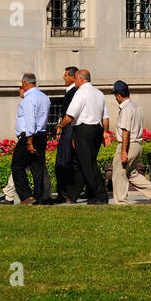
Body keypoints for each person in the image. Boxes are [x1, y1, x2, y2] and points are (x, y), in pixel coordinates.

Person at [53, 69, 109, 203]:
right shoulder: (99, 93)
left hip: (84, 130)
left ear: (81, 80)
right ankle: (72, 195)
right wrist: (105, 132)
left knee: (88, 164)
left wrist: (60, 126)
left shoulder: (80, 93)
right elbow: (105, 117)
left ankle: (100, 195)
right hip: (96, 129)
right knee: (82, 163)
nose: (74, 81)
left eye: (76, 79)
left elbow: (70, 115)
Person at [111, 81, 151, 205]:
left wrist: (123, 151)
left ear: (118, 95)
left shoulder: (126, 109)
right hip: (137, 145)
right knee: (131, 173)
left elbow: (126, 131)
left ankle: (121, 202)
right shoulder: (136, 107)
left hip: (128, 145)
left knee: (119, 173)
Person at [9, 73, 50, 205]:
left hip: (30, 135)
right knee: (37, 167)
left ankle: (26, 195)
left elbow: (30, 121)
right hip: (42, 134)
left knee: (17, 165)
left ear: (25, 83)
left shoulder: (28, 99)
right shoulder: (44, 97)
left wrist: (29, 141)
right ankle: (39, 197)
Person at [49, 66, 81, 203]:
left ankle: (65, 193)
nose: (63, 77)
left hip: (68, 129)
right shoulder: (72, 91)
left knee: (64, 162)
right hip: (68, 129)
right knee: (67, 161)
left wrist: (60, 125)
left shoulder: (74, 92)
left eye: (66, 75)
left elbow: (70, 115)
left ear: (73, 77)